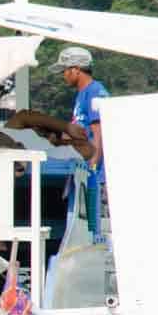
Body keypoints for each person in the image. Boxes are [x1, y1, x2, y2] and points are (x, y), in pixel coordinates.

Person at [50, 46, 110, 238]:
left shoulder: (95, 92)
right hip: (83, 169)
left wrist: (93, 162)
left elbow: (99, 131)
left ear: (75, 69)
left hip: (94, 173)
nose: (63, 76)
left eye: (64, 71)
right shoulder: (81, 94)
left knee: (93, 230)